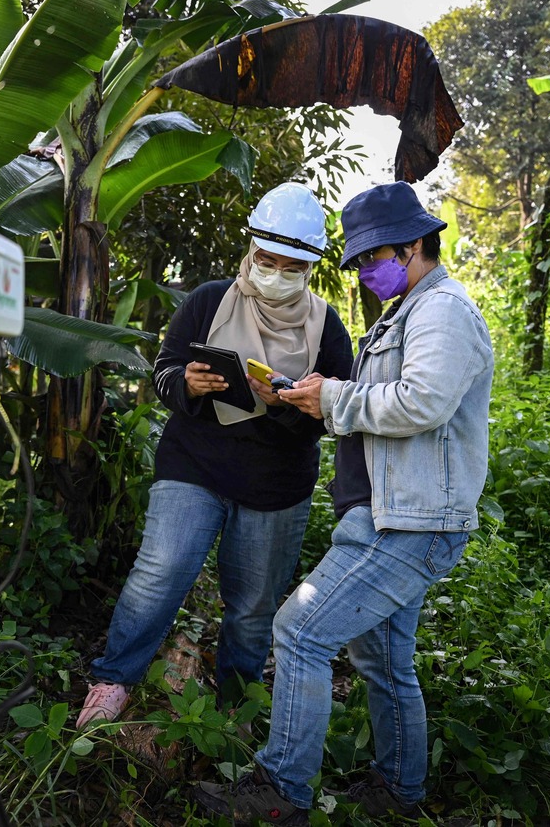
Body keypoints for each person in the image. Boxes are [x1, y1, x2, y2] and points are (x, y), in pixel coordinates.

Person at [194, 182, 494, 823]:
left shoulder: (441, 311)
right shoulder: (407, 310)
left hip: (409, 522)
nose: (365, 271)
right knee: (383, 661)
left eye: (374, 257)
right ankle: (399, 794)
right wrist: (319, 396)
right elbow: (379, 404)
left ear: (415, 246)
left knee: (297, 631)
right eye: (357, 261)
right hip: (389, 513)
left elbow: (421, 403)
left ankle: (281, 795)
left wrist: (332, 398)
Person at [76, 183, 355, 727]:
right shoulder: (209, 300)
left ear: (309, 268)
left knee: (253, 606)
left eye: (289, 266)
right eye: (266, 261)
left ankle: (234, 706)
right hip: (195, 463)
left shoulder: (329, 331)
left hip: (276, 484)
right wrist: (188, 383)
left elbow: (330, 416)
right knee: (162, 569)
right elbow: (163, 369)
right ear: (251, 251)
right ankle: (113, 679)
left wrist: (286, 404)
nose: (274, 273)